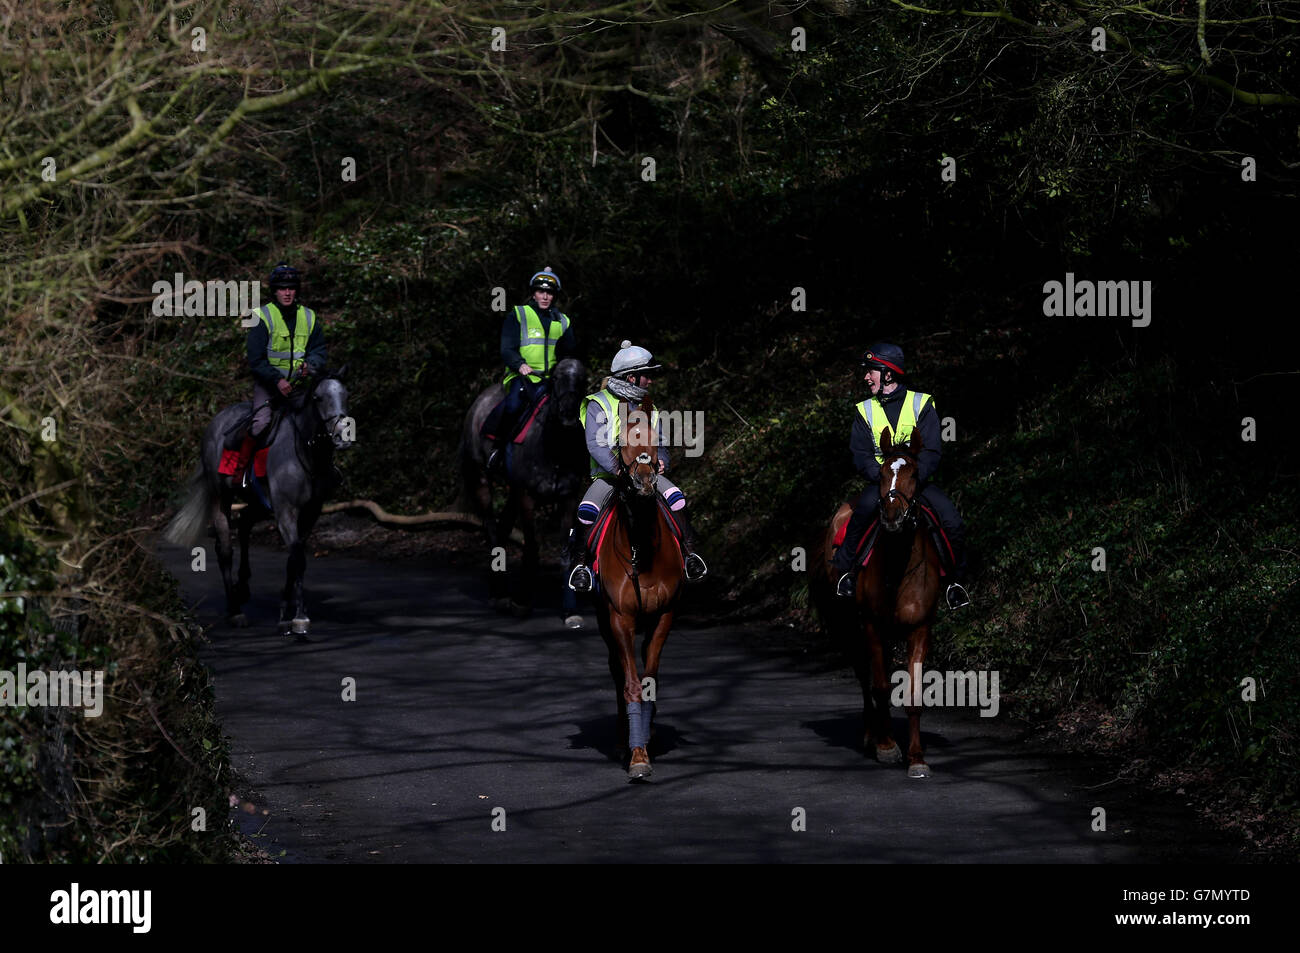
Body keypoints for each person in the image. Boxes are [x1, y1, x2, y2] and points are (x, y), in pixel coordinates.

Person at [831, 341, 971, 609]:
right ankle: (846, 573)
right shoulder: (864, 411)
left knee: (952, 519)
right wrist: (884, 476)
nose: (865, 377)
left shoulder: (922, 404)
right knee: (862, 514)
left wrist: (913, 478)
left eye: (870, 371)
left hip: (917, 482)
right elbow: (860, 454)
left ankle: (956, 583)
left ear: (888, 373)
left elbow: (931, 450)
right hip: (882, 482)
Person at [566, 341, 707, 591]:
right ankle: (581, 566)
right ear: (632, 377)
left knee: (677, 499)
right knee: (587, 510)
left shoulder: (649, 405)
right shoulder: (599, 403)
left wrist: (662, 460)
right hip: (610, 476)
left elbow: (660, 441)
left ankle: (690, 555)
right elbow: (595, 444)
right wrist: (618, 469)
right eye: (647, 376)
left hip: (646, 474)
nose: (650, 381)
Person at [230, 262, 326, 485]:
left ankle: (325, 471)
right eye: (282, 288)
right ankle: (241, 471)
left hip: (300, 386)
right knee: (261, 424)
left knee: (322, 420)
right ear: (275, 291)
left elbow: (319, 350)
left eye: (291, 288)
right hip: (269, 385)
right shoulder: (262, 317)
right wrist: (277, 380)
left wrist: (310, 365)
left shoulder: (309, 317)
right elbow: (256, 359)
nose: (287, 292)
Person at [488, 266, 577, 472]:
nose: (545, 296)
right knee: (512, 406)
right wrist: (520, 365)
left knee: (572, 411)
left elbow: (569, 353)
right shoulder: (519, 314)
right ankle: (497, 449)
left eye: (549, 293)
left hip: (552, 381)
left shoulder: (563, 321)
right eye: (541, 291)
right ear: (534, 293)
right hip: (524, 377)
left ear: (554, 296)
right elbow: (506, 348)